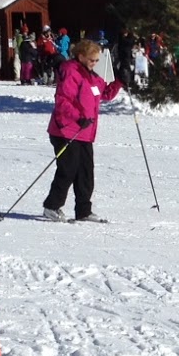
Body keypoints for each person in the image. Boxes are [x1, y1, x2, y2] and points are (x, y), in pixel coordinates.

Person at [41, 37, 123, 222]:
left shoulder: (92, 76)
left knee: (86, 172)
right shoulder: (71, 71)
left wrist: (119, 81)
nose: (95, 63)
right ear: (81, 56)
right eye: (92, 60)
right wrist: (78, 116)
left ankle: (83, 210)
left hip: (85, 132)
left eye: (97, 60)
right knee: (68, 169)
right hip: (66, 130)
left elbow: (105, 93)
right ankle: (52, 206)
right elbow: (63, 100)